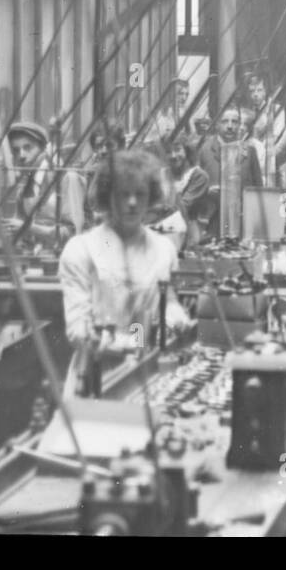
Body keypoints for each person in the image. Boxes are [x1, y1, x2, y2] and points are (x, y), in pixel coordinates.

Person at [59, 149, 193, 396]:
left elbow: (168, 301)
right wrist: (128, 343)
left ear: (151, 197)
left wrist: (176, 319)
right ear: (107, 197)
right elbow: (78, 330)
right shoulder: (81, 250)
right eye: (123, 195)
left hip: (148, 374)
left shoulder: (164, 249)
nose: (132, 203)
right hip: (97, 375)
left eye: (140, 194)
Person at [2, 120, 84, 248]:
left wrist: (28, 228)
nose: (22, 155)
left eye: (28, 148)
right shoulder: (24, 188)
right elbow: (19, 228)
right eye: (16, 150)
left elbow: (73, 232)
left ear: (42, 149)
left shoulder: (66, 178)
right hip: (36, 258)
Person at [196, 106, 262, 240]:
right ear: (216, 125)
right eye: (225, 121)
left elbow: (258, 189)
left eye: (235, 122)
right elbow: (194, 187)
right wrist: (207, 191)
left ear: (240, 125)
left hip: (243, 222)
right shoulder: (205, 150)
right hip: (212, 223)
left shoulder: (249, 152)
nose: (230, 126)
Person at [156, 137, 211, 248]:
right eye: (168, 152)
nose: (173, 156)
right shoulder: (161, 174)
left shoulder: (198, 176)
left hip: (187, 235)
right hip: (161, 233)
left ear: (187, 150)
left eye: (177, 149)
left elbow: (183, 207)